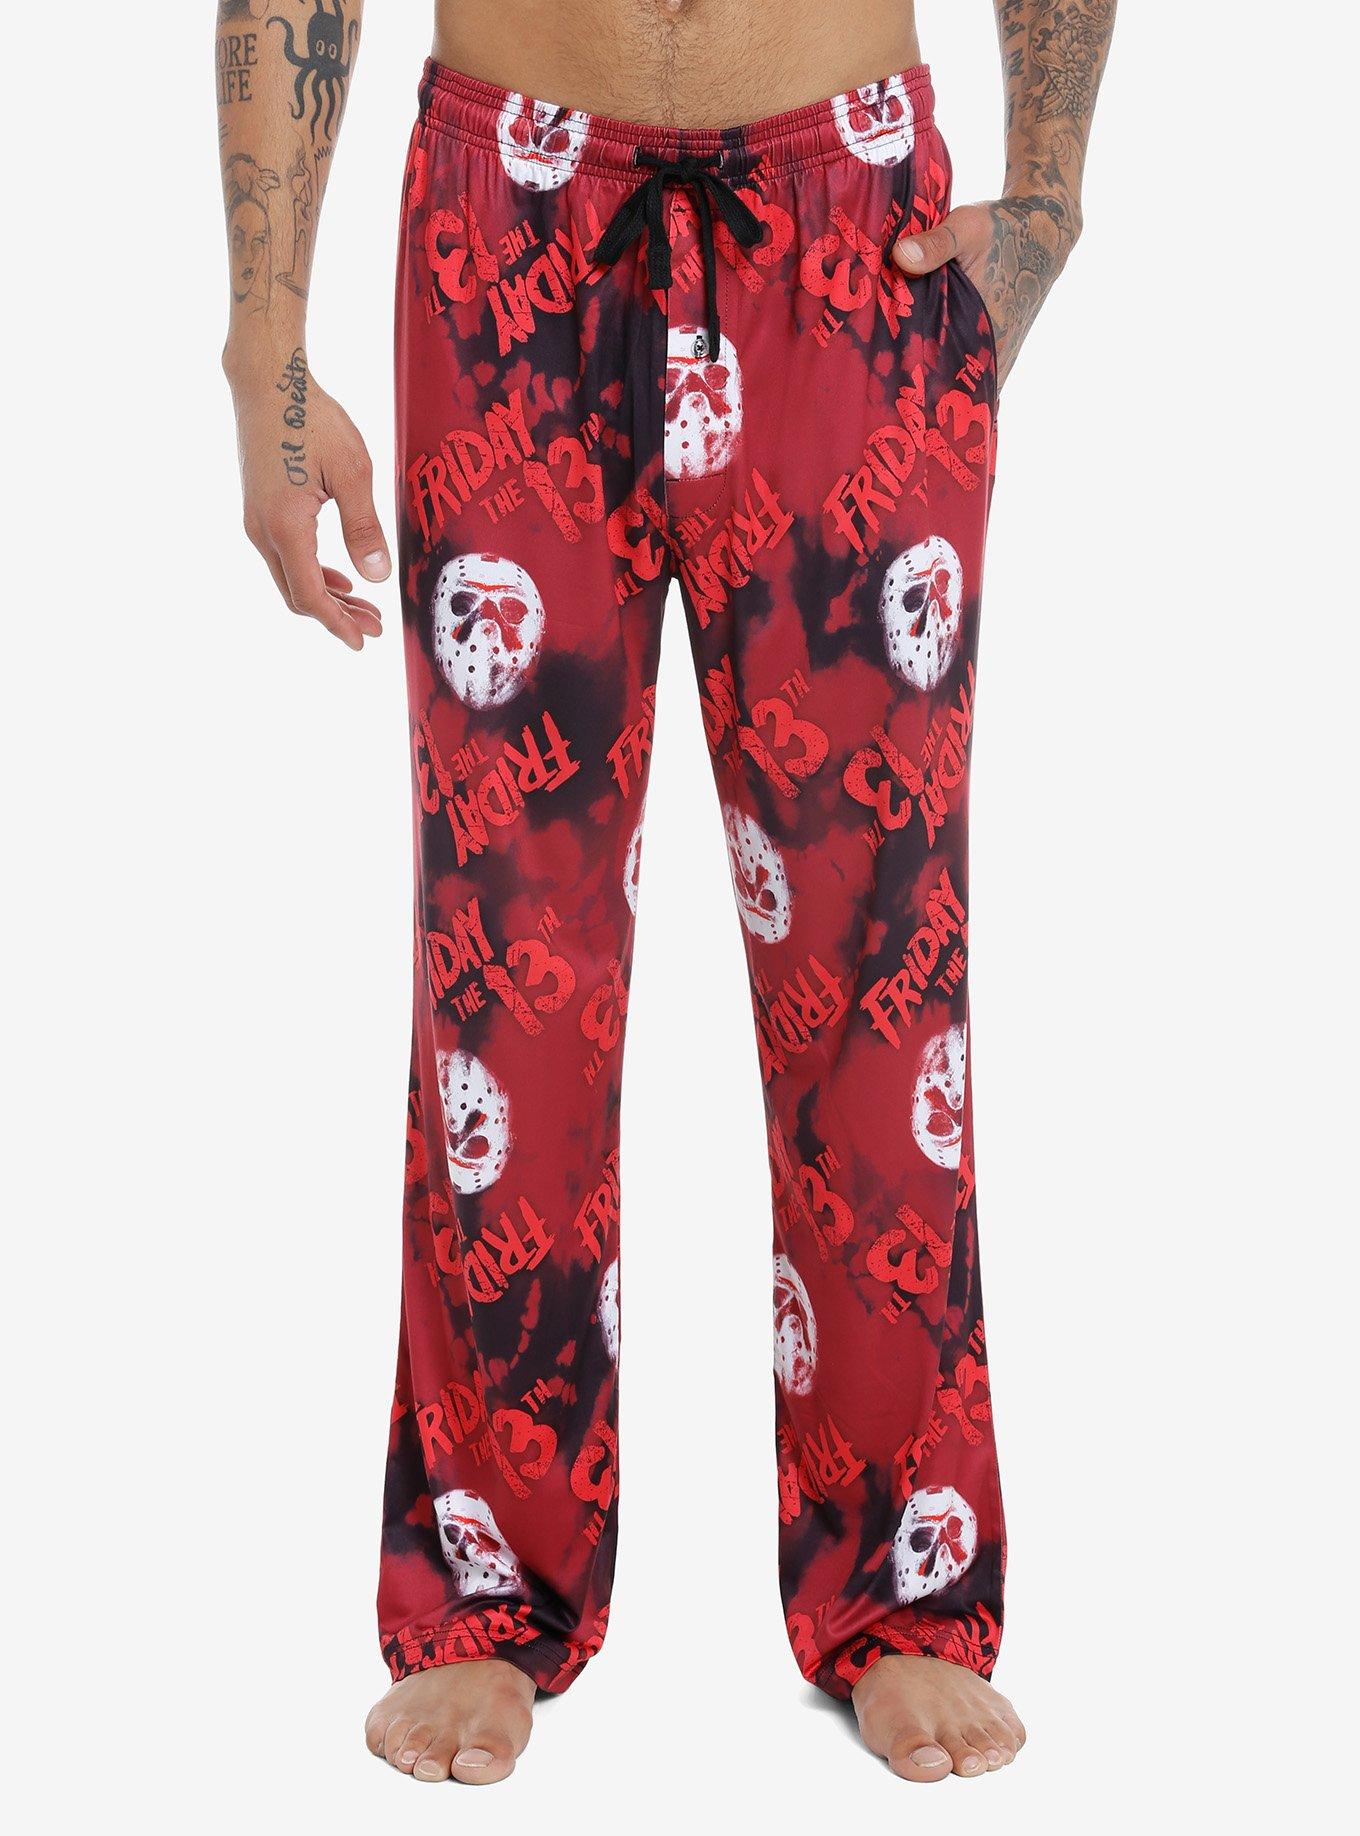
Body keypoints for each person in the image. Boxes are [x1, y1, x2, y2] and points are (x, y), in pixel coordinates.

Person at [216, 0, 1114, 1789]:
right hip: (504, 219)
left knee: (877, 952)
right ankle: (488, 1583)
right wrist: (266, 344)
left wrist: (1050, 194)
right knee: (505, 957)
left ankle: (905, 1583)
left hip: (848, 222)